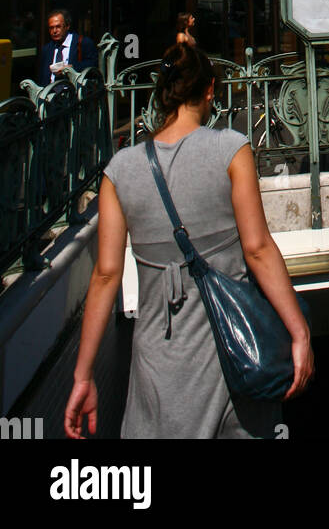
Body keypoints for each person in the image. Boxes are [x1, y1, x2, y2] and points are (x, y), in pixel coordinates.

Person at [64, 42, 313, 440]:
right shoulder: (231, 149)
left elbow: (106, 276)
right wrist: (298, 332)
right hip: (234, 364)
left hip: (159, 380)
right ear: (211, 90)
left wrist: (82, 375)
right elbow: (258, 249)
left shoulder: (119, 171)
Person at [38, 9, 97, 86]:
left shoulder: (83, 43)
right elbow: (42, 76)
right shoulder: (47, 49)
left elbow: (94, 65)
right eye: (51, 28)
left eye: (58, 26)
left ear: (67, 26)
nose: (54, 31)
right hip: (51, 94)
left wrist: (72, 68)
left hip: (73, 93)